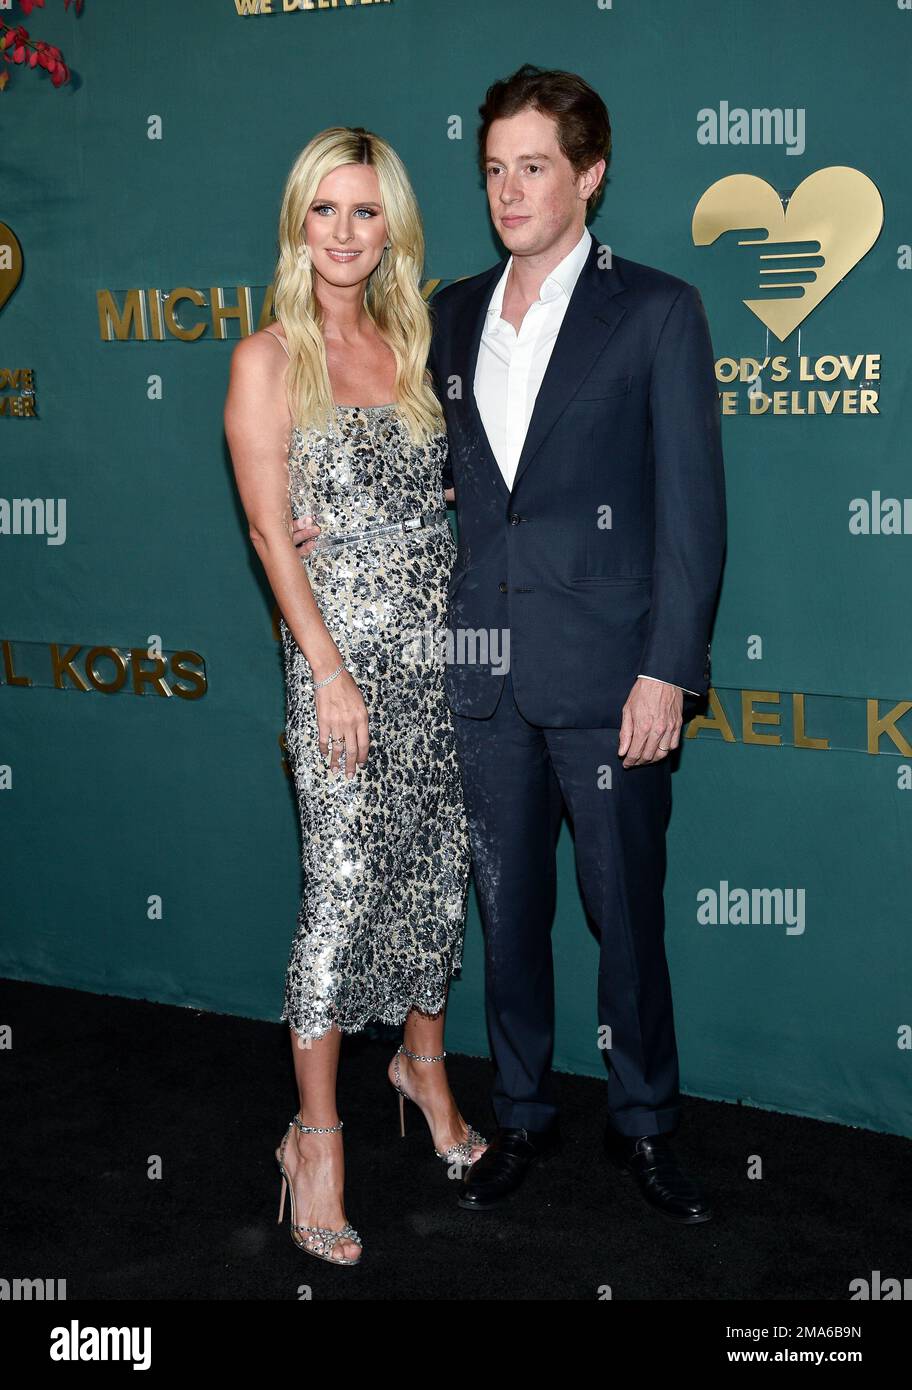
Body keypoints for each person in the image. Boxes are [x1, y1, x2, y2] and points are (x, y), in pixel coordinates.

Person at [294, 68, 727, 1225]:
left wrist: (668, 670)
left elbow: (694, 513)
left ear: (589, 175)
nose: (510, 189)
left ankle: (644, 1125)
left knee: (626, 913)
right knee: (506, 913)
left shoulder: (657, 311)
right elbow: (422, 476)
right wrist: (324, 517)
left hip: (610, 680)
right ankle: (522, 1110)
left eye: (535, 166)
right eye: (494, 168)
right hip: (473, 672)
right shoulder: (445, 311)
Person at [224, 126, 485, 1267]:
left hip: (436, 648)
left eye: (365, 212)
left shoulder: (417, 338)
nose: (343, 232)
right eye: (324, 210)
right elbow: (266, 531)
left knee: (435, 870)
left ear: (394, 229)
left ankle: (422, 1066)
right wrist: (325, 666)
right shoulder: (267, 357)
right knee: (337, 891)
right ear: (298, 221)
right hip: (338, 657)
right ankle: (315, 1139)